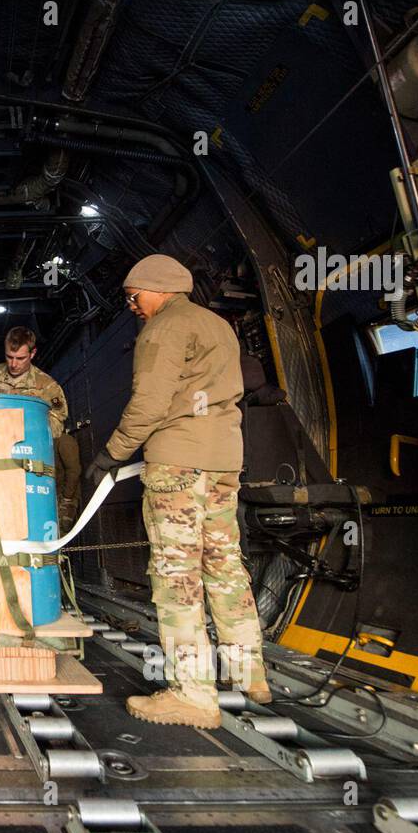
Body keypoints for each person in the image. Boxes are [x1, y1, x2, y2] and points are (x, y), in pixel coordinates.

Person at [86, 255, 270, 729]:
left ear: (157, 289)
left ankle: (192, 694)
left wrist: (113, 453)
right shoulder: (217, 326)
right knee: (225, 563)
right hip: (225, 460)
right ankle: (248, 671)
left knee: (176, 575)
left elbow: (150, 401)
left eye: (134, 297)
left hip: (180, 463)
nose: (132, 307)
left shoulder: (164, 328)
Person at [0, 327, 81, 533]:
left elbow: (57, 423)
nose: (13, 364)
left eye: (20, 358)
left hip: (29, 462)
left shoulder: (47, 386)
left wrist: (26, 428)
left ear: (32, 354)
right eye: (9, 357)